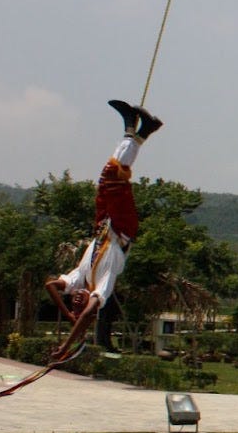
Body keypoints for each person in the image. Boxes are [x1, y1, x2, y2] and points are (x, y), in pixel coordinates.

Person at [44, 100, 162, 363]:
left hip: (103, 225)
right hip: (121, 230)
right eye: (78, 303)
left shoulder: (78, 278)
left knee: (103, 179)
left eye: (74, 300)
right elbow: (87, 315)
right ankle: (136, 130)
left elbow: (51, 285)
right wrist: (66, 344)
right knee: (114, 174)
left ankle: (139, 130)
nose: (76, 299)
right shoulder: (102, 288)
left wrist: (66, 312)